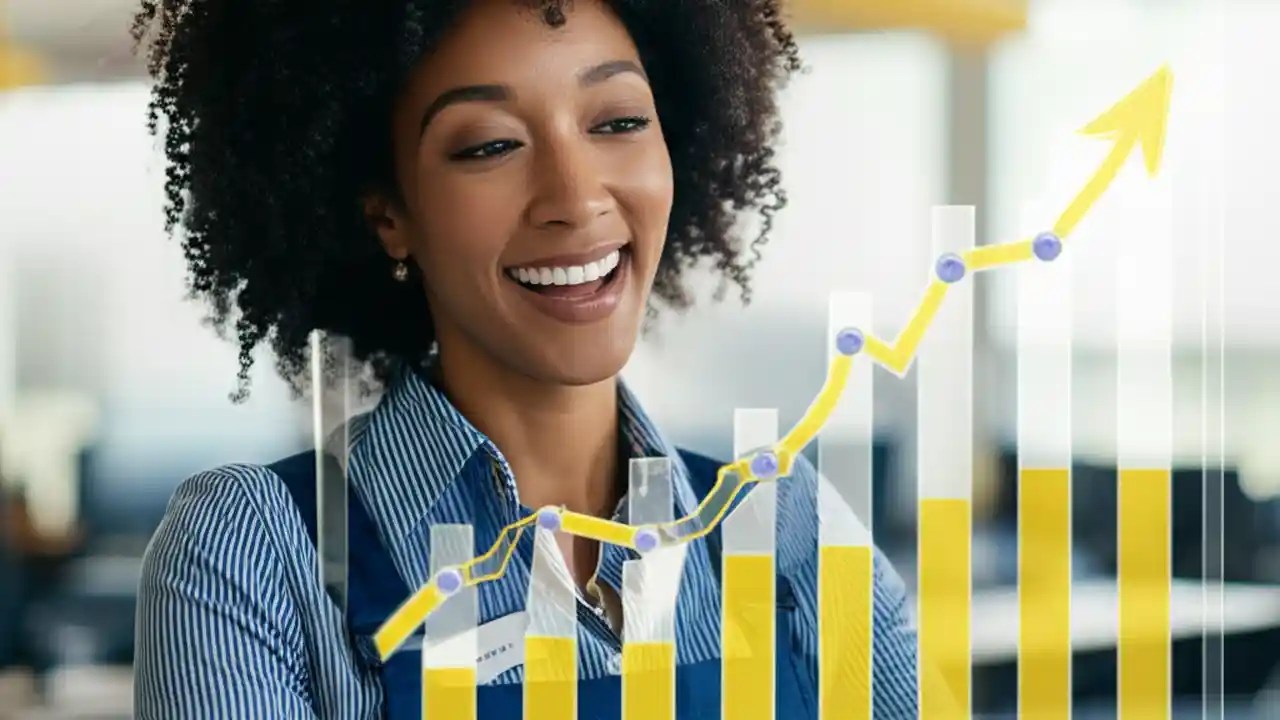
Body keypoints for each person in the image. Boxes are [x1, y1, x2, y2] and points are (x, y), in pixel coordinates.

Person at [130, 0, 921, 717]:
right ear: (387, 215)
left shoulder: (786, 530)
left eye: (616, 123)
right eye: (490, 145)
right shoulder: (256, 555)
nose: (575, 197)